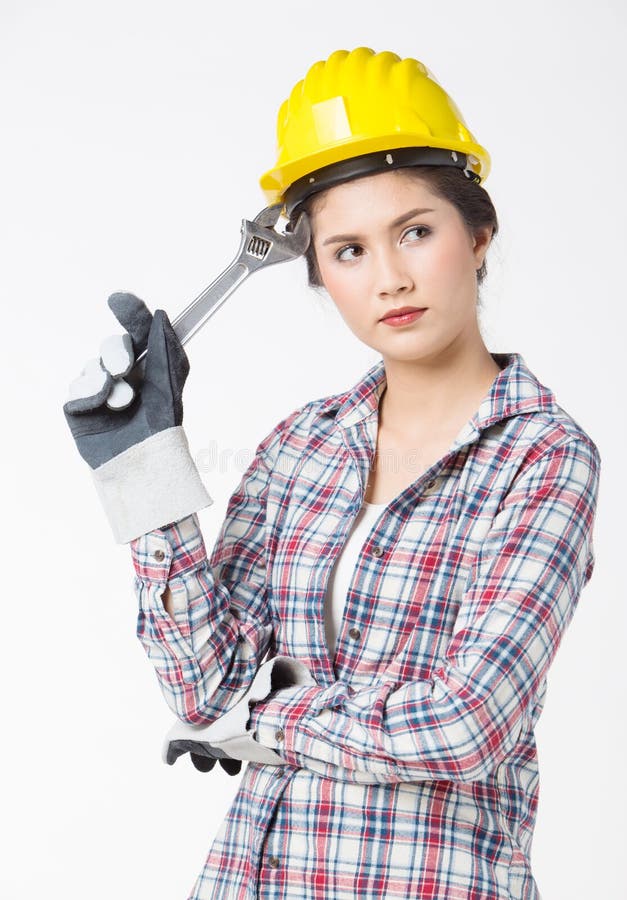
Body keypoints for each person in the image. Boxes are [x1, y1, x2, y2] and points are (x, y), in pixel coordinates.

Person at [63, 47, 600, 900]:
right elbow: (204, 686)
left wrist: (269, 719)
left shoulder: (540, 456)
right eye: (347, 251)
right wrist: (144, 476)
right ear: (318, 276)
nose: (388, 277)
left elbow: (467, 724)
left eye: (414, 231)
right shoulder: (299, 448)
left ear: (478, 234)